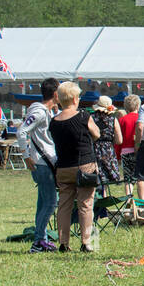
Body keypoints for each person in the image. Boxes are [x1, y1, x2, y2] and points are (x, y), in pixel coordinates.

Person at [50, 81, 99, 253]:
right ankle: (86, 242)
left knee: (64, 205)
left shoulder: (53, 121)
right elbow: (96, 133)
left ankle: (63, 243)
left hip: (63, 167)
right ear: (75, 99)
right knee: (85, 204)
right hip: (84, 165)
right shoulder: (83, 116)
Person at [16, 76, 60, 253]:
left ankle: (41, 238)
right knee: (50, 203)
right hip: (42, 163)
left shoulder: (47, 112)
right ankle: (39, 241)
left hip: (45, 162)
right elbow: (21, 131)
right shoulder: (40, 112)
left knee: (43, 203)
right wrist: (26, 156)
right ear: (55, 93)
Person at [91, 96, 123, 189]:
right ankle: (104, 197)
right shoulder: (113, 120)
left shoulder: (91, 118)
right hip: (108, 150)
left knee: (96, 177)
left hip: (94, 148)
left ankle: (99, 196)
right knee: (106, 178)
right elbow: (119, 140)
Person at [118, 94, 140, 189]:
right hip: (139, 150)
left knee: (127, 177)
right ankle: (141, 200)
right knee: (139, 177)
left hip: (125, 151)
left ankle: (129, 198)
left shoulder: (122, 120)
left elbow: (119, 139)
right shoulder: (141, 118)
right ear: (138, 105)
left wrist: (117, 154)